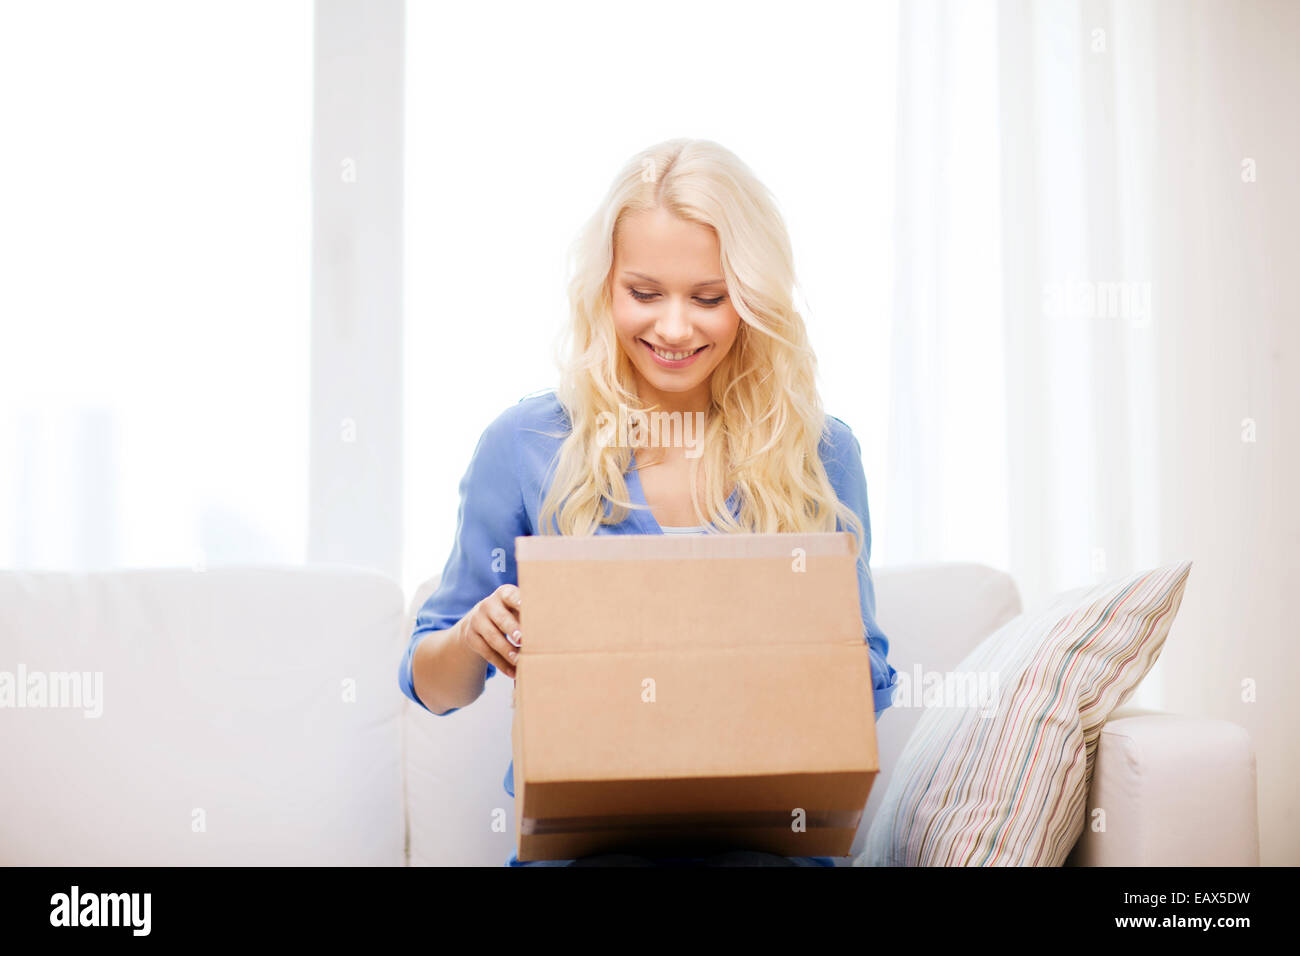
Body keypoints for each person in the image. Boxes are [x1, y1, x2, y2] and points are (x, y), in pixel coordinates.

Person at [398, 138, 898, 866]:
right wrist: (474, 636)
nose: (672, 328)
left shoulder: (820, 454)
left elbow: (871, 684)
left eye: (708, 298)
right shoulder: (526, 444)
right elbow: (431, 685)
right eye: (643, 293)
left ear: (752, 301)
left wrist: (799, 662)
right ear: (605, 288)